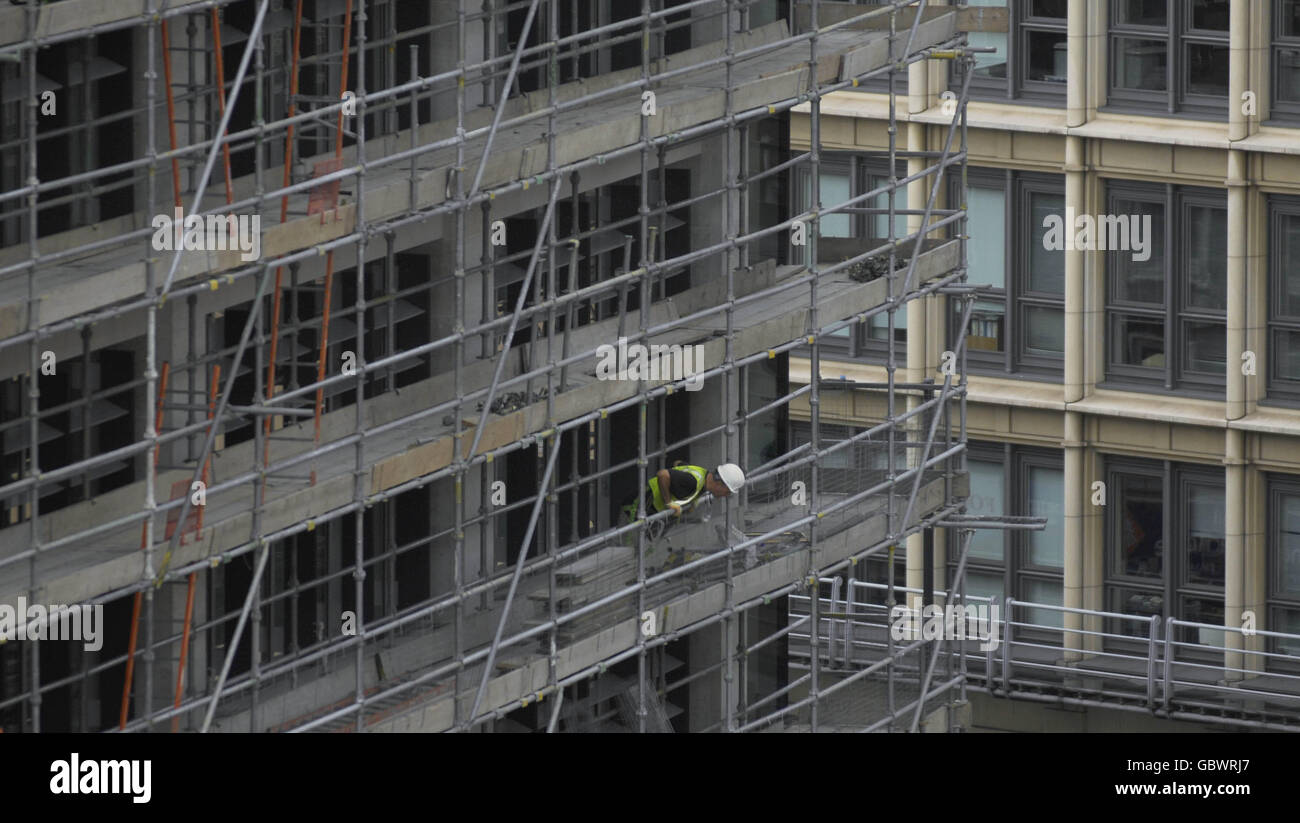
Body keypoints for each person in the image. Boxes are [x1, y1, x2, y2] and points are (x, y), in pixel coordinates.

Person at [620, 462, 745, 543]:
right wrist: (669, 502)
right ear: (720, 483)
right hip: (634, 509)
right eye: (727, 491)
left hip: (642, 509)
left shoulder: (702, 476)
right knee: (627, 549)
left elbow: (678, 463)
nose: (726, 495)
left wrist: (692, 500)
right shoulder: (693, 482)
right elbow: (663, 475)